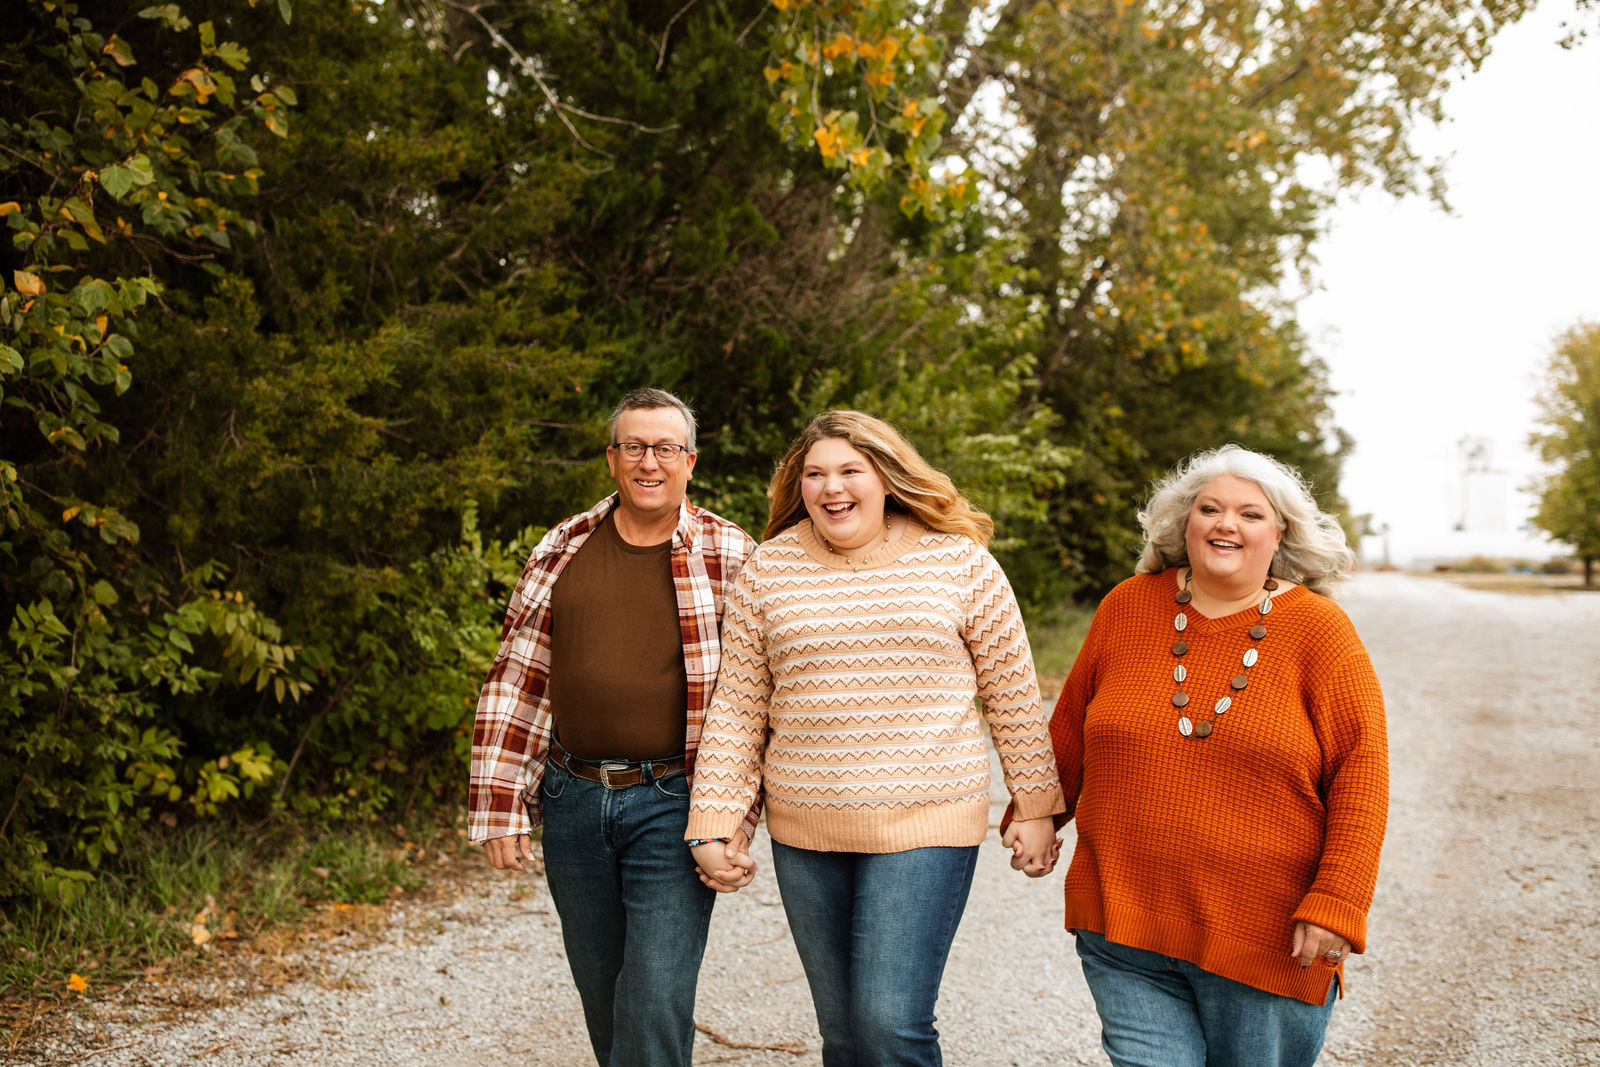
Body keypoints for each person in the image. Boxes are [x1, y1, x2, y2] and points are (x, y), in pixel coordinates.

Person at [685, 410, 1066, 1066]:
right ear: (798, 485)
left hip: (927, 823)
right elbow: (741, 709)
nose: (833, 487)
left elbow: (1013, 695)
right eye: (815, 473)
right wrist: (713, 822)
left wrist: (1035, 808)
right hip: (806, 832)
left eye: (850, 470)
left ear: (886, 478)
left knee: (890, 1023)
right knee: (844, 1033)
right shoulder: (768, 570)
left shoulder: (959, 562)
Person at [1037, 443, 1388, 1067]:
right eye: (1210, 509)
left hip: (1263, 936)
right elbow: (1070, 730)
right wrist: (1039, 814)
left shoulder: (1320, 633)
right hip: (1125, 924)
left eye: (1251, 514)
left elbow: (1361, 777)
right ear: (1184, 523)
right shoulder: (1127, 607)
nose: (1227, 524)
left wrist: (1339, 902)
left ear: (1279, 534)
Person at [467, 387, 758, 1067]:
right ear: (611, 458)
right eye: (633, 446)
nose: (648, 461)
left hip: (676, 801)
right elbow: (518, 674)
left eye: (664, 447)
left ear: (689, 461)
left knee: (653, 995)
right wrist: (500, 803)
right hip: (573, 798)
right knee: (604, 992)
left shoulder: (732, 553)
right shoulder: (563, 545)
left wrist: (734, 816)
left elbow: (754, 702)